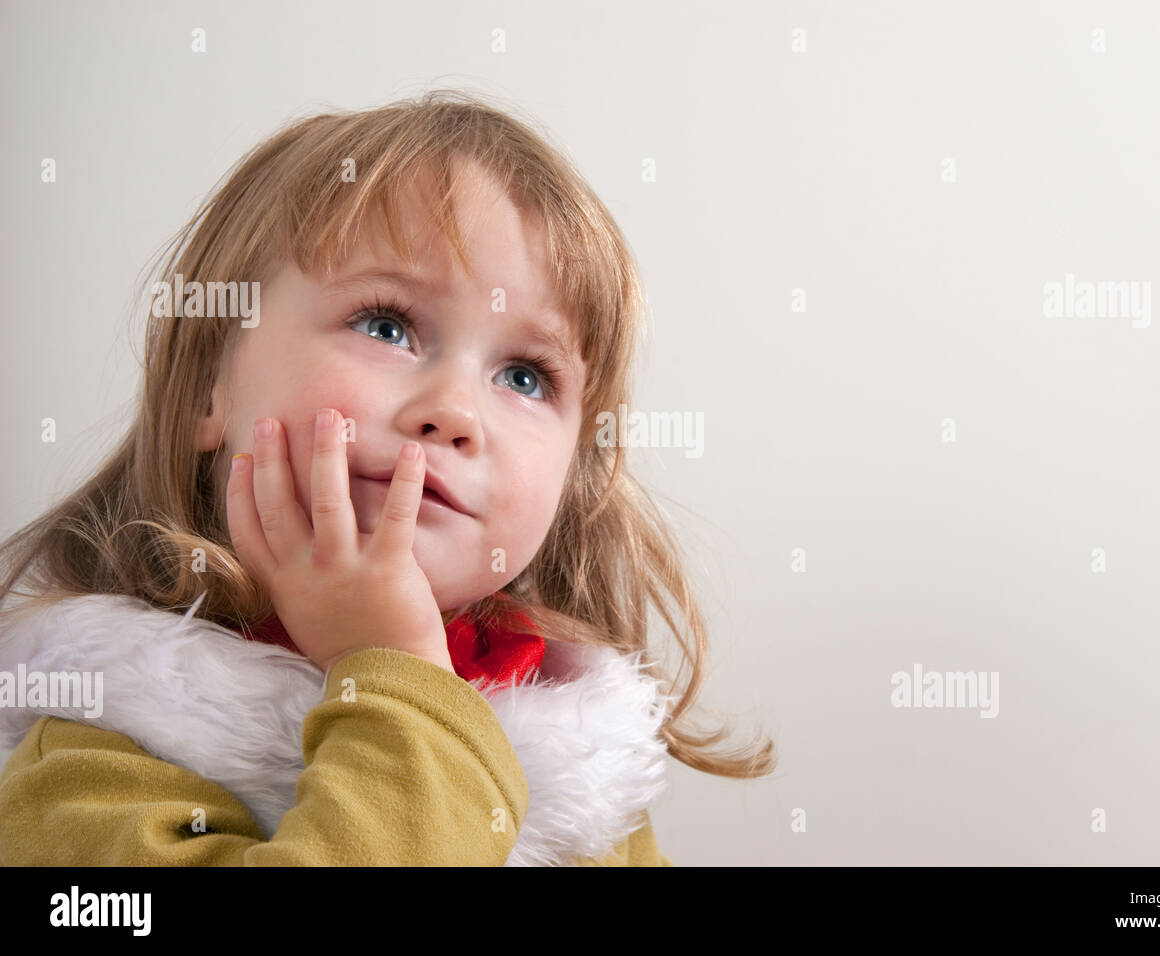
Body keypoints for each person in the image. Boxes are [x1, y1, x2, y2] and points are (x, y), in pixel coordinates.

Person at [0, 90, 775, 865]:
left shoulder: (589, 778)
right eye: (386, 326)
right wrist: (399, 677)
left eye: (527, 376)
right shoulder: (92, 759)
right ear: (210, 384)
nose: (455, 411)